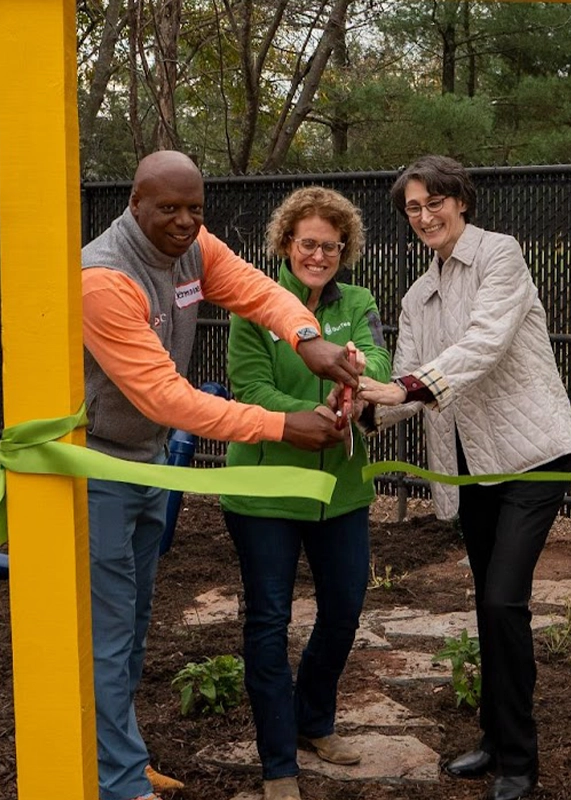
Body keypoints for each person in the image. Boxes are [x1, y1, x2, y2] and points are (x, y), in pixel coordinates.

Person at [81, 150, 357, 800]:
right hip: (96, 464)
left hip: (145, 460)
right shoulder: (104, 278)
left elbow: (257, 290)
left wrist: (305, 335)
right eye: (169, 210)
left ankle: (113, 756)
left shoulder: (192, 249)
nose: (184, 223)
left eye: (194, 210)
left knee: (136, 617)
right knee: (110, 623)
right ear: (135, 203)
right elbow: (166, 398)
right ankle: (118, 783)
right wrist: (280, 424)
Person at [357, 155, 571, 800]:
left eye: (435, 203)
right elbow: (402, 389)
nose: (425, 217)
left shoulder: (500, 256)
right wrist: (358, 406)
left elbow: (483, 344)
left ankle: (520, 761)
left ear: (461, 201)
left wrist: (403, 384)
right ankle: (494, 738)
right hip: (473, 464)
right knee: (489, 604)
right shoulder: (417, 295)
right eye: (413, 209)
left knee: (506, 599)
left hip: (533, 454)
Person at [219, 187, 391, 800]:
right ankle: (277, 764)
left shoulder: (360, 300)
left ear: (345, 251)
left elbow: (376, 357)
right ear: (286, 243)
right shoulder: (254, 306)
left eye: (331, 245)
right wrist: (309, 414)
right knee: (268, 622)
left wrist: (356, 382)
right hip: (264, 490)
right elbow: (251, 389)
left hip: (340, 491)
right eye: (308, 243)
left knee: (344, 608)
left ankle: (313, 722)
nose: (319, 254)